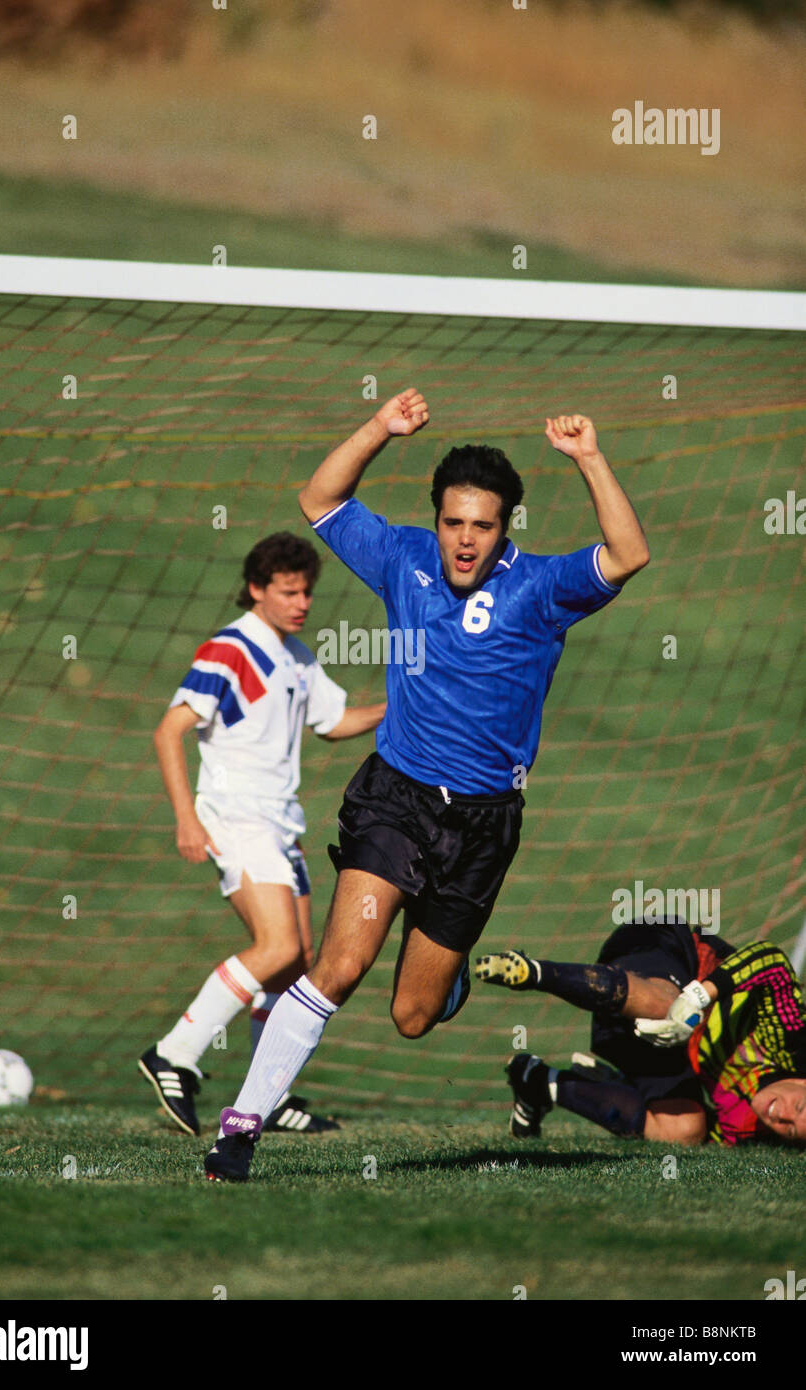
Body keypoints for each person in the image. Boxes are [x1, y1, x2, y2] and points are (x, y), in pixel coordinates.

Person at [204, 390, 650, 1181]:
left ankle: (439, 984)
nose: (464, 540)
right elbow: (319, 498)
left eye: (482, 524)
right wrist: (379, 427)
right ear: (435, 519)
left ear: (506, 525)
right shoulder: (402, 558)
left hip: (482, 827)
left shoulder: (541, 589)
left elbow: (625, 554)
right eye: (453, 522)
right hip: (396, 801)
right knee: (338, 966)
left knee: (412, 1015)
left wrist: (588, 458)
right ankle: (239, 1129)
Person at [139, 532, 385, 1137]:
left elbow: (334, 722)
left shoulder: (297, 655)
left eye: (306, 592)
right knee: (275, 949)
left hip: (281, 825)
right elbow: (169, 731)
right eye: (288, 591)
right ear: (257, 588)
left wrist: (403, 705)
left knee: (296, 967)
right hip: (236, 818)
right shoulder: (229, 649)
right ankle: (174, 1053)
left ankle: (263, 1095)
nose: (301, 602)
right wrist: (186, 818)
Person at [476, 917, 806, 1145]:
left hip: (645, 1037)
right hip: (663, 947)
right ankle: (534, 972)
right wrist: (698, 997)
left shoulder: (748, 1127)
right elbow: (772, 961)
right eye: (801, 1108)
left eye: (790, 1132)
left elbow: (713, 1139)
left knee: (684, 1131)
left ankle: (537, 1081)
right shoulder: (792, 1041)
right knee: (667, 1006)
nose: (784, 1118)